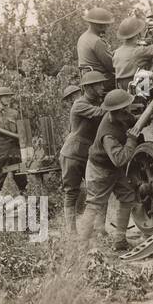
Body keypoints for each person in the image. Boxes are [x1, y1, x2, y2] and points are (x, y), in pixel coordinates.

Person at [76, 89, 142, 252]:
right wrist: (131, 141)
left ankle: (120, 240)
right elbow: (119, 159)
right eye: (125, 109)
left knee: (127, 197)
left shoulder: (119, 116)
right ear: (117, 111)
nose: (128, 111)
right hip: (100, 170)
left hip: (112, 169)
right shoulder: (108, 135)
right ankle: (81, 245)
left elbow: (133, 120)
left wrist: (148, 116)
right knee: (94, 205)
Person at [58, 71, 110, 234]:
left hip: (88, 154)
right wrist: (115, 103)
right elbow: (100, 113)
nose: (103, 87)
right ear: (88, 88)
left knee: (99, 188)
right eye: (99, 85)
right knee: (71, 192)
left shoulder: (98, 101)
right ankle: (71, 231)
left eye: (102, 84)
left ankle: (100, 228)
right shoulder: (79, 104)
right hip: (72, 154)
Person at [111, 16, 153, 92]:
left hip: (121, 89)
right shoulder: (138, 52)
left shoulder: (116, 52)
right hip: (137, 89)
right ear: (137, 35)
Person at [76, 6, 115, 79]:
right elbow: (111, 66)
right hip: (101, 80)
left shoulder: (82, 37)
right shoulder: (97, 41)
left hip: (87, 79)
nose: (107, 26)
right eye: (106, 24)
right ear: (99, 25)